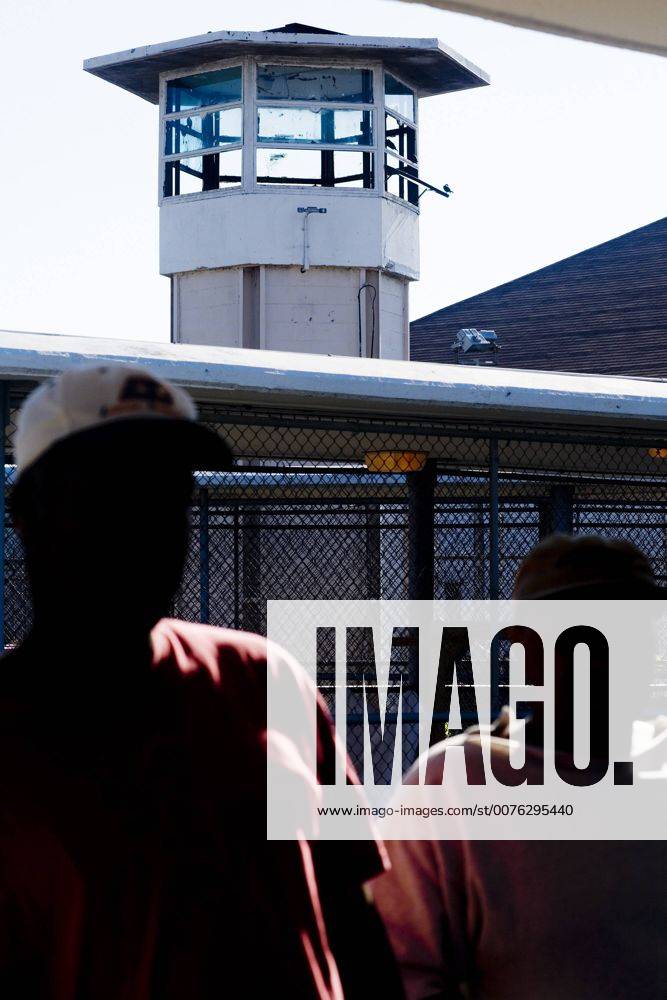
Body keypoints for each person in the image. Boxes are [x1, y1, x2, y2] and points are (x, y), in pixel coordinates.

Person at [0, 363, 398, 999]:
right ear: (29, 513)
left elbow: (358, 916)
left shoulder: (271, 679)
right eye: (113, 494)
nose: (151, 525)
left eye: (170, 496)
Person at [370, 535, 667, 1000]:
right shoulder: (455, 787)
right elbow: (394, 969)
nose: (617, 654)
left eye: (635, 628)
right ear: (528, 651)